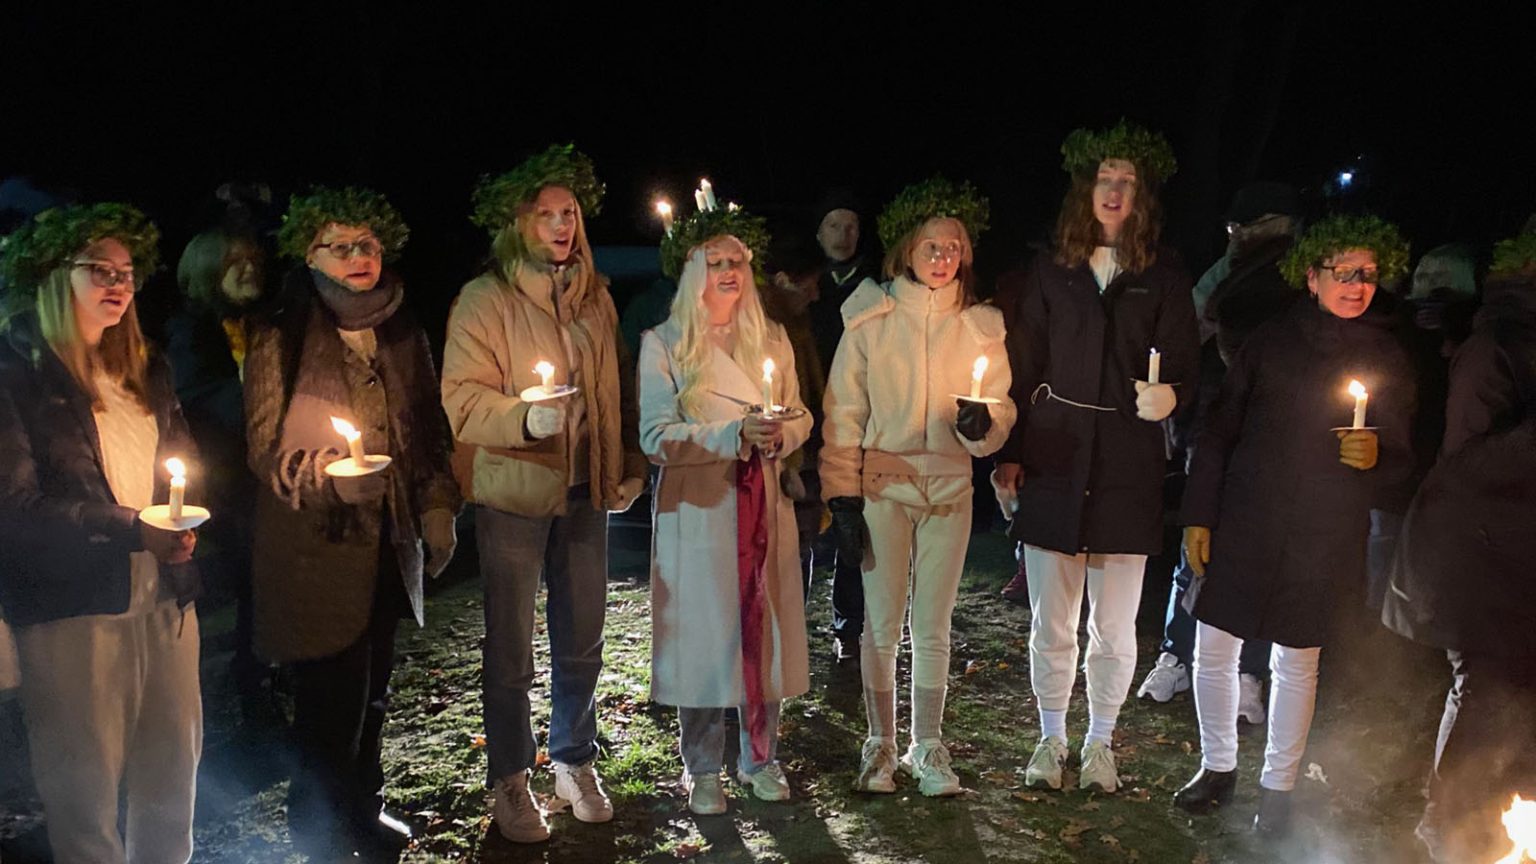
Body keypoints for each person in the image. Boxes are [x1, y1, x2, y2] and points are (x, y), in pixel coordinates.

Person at [1173, 215, 1415, 836]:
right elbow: (1218, 431)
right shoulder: (1270, 342)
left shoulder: (1387, 353)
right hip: (1245, 519)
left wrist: (1378, 457)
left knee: (1296, 662)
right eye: (1344, 272)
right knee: (1215, 649)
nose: (1357, 285)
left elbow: (1405, 461)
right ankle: (1217, 765)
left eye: (1368, 274)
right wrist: (1199, 515)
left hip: (1322, 531)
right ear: (1311, 277)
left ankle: (1278, 790)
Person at [245, 187, 461, 858]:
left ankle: (363, 811)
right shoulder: (281, 332)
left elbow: (428, 430)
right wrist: (330, 478)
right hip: (318, 550)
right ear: (310, 255)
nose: (359, 256)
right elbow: (263, 450)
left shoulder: (400, 327)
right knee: (328, 707)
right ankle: (319, 832)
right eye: (340, 246)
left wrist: (436, 507)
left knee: (374, 695)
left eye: (367, 243)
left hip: (389, 547)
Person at [441, 145, 646, 843]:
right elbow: (462, 400)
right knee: (511, 649)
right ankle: (509, 775)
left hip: (586, 493)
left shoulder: (597, 298)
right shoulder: (484, 300)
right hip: (515, 496)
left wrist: (624, 466)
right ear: (516, 224)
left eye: (571, 213)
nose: (562, 226)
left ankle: (574, 759)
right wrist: (524, 418)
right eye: (546, 214)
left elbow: (615, 386)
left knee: (582, 637)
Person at [996, 122, 1198, 794]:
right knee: (1052, 620)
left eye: (1128, 181)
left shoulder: (1163, 274)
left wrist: (1172, 395)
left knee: (1114, 626)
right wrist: (1009, 453)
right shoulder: (1052, 271)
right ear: (1086, 189)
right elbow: (1022, 365)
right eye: (1104, 178)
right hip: (1057, 459)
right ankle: (1052, 739)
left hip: (1127, 469)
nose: (1114, 191)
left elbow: (1189, 367)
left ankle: (1100, 743)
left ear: (1142, 196)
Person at [0, 203, 203, 863]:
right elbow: (15, 508)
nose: (119, 284)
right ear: (54, 276)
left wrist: (181, 522)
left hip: (165, 598)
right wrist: (130, 529)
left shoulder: (146, 370)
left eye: (127, 272)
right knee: (84, 794)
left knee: (172, 776)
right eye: (100, 270)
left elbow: (184, 469)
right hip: (72, 611)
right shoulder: (16, 377)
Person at [822, 177, 1015, 797]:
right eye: (931, 246)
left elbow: (999, 408)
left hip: (950, 492)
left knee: (932, 623)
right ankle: (879, 744)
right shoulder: (872, 320)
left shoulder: (981, 327)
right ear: (906, 250)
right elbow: (843, 412)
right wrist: (842, 493)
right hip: (883, 489)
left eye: (953, 247)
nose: (942, 258)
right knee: (880, 622)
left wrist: (986, 427)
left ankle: (927, 744)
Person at [639, 201, 812, 815]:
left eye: (738, 260)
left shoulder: (770, 339)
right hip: (702, 508)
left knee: (763, 625)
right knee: (706, 636)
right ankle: (703, 764)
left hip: (763, 502)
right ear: (692, 272)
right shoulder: (663, 344)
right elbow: (655, 435)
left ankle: (761, 754)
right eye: (715, 262)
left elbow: (797, 412)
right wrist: (730, 435)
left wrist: (781, 436)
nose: (730, 271)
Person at [1382, 229, 1536, 863]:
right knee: (1485, 692)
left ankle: (1503, 822)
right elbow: (1465, 466)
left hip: (1514, 557)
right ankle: (1448, 829)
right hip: (1474, 559)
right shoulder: (1493, 343)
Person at [1137, 182, 1301, 715]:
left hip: (1280, 427)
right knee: (1198, 537)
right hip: (1217, 417)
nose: (1237, 236)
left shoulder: (1297, 276)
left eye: (1244, 229)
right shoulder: (1226, 273)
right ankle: (1178, 655)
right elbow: (1191, 326)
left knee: (1261, 549)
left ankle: (1248, 671)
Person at [165, 220, 269, 706]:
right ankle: (251, 691)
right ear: (208, 272)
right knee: (253, 586)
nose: (249, 269)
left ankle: (266, 676)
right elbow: (201, 402)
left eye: (252, 260)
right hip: (232, 486)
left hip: (267, 477)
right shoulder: (190, 333)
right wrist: (258, 391)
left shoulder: (265, 322)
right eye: (234, 263)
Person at [806, 190, 877, 662]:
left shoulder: (874, 289)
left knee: (856, 520)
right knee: (809, 519)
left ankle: (849, 624)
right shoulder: (803, 291)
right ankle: (795, 612)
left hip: (859, 415)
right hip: (810, 416)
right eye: (834, 225)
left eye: (850, 225)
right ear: (819, 233)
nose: (843, 234)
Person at [760, 233, 831, 599]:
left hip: (803, 454)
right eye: (810, 284)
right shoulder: (768, 332)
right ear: (784, 280)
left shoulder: (799, 325)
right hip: (783, 463)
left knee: (798, 558)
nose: (816, 294)